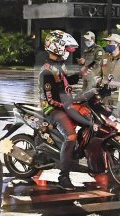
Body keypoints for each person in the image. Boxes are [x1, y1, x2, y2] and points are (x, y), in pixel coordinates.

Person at [38, 29, 96, 189]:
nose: (69, 52)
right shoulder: (47, 71)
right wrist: (68, 105)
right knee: (70, 136)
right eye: (66, 49)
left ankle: (77, 153)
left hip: (65, 105)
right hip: (53, 110)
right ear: (57, 47)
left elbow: (65, 81)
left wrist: (80, 74)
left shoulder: (58, 66)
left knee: (90, 118)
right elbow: (51, 99)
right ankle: (63, 177)